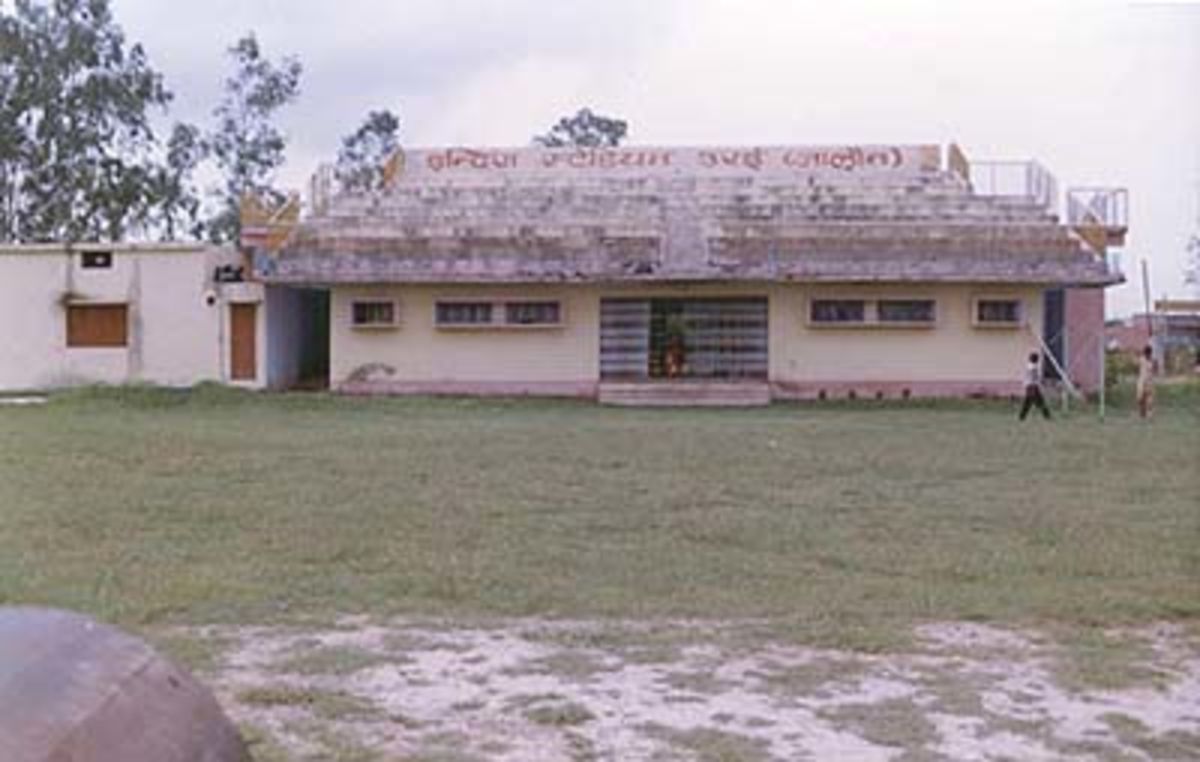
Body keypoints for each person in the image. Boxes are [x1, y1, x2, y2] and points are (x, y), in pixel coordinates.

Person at [1018, 351, 1051, 421]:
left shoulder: (1028, 366)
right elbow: (1034, 377)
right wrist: (1041, 382)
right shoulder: (1033, 367)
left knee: (1028, 402)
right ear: (1036, 360)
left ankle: (1022, 417)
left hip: (1028, 386)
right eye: (1038, 359)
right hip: (1032, 386)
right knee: (1039, 402)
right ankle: (1047, 416)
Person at [1136, 345, 1155, 419]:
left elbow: (1153, 370)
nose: (1148, 355)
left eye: (1149, 353)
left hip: (1149, 381)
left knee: (1149, 398)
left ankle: (1149, 414)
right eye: (1146, 353)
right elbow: (1137, 366)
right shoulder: (1141, 359)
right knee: (1140, 398)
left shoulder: (1152, 361)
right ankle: (1142, 413)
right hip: (1141, 380)